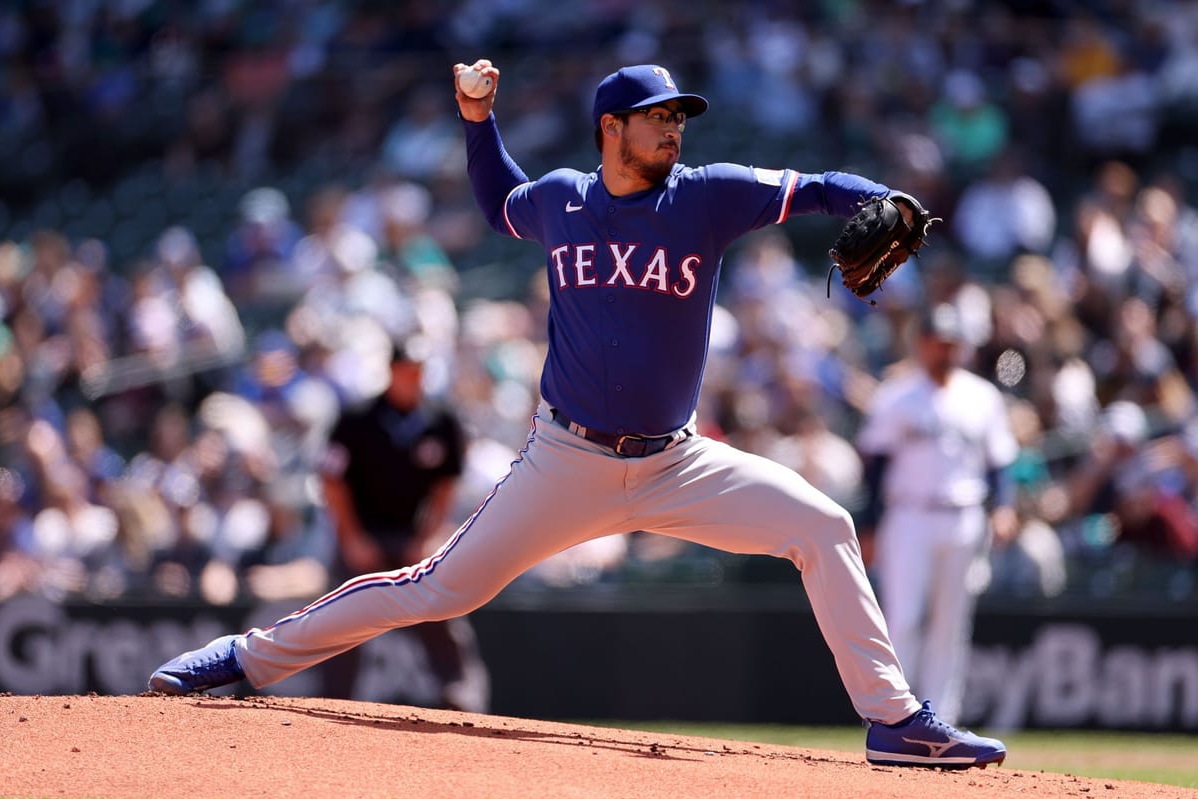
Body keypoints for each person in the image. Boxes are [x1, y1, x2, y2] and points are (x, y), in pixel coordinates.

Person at [148, 60, 1006, 769]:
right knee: (439, 587)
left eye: (678, 117)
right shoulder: (563, 199)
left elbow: (819, 187)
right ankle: (243, 658)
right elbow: (496, 203)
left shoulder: (706, 194)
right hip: (567, 459)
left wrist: (883, 194)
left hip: (679, 463)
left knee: (822, 525)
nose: (673, 130)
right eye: (655, 117)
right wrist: (478, 120)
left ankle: (893, 721)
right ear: (612, 127)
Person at [855, 304, 1019, 726]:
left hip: (964, 516)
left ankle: (942, 719)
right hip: (908, 514)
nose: (943, 349)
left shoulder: (982, 397)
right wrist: (870, 525)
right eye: (935, 341)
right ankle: (890, 716)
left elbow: (999, 463)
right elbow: (874, 466)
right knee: (903, 617)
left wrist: (1003, 507)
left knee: (951, 624)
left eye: (950, 342)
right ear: (921, 344)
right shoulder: (897, 396)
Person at [316, 339, 487, 712]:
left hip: (412, 535)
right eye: (406, 370)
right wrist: (351, 538)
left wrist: (428, 537)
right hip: (364, 534)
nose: (413, 378)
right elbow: (331, 480)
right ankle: (330, 702)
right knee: (342, 618)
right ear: (392, 371)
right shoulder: (357, 418)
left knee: (440, 610)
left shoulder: (441, 419)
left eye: (419, 370)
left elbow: (446, 484)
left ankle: (461, 698)